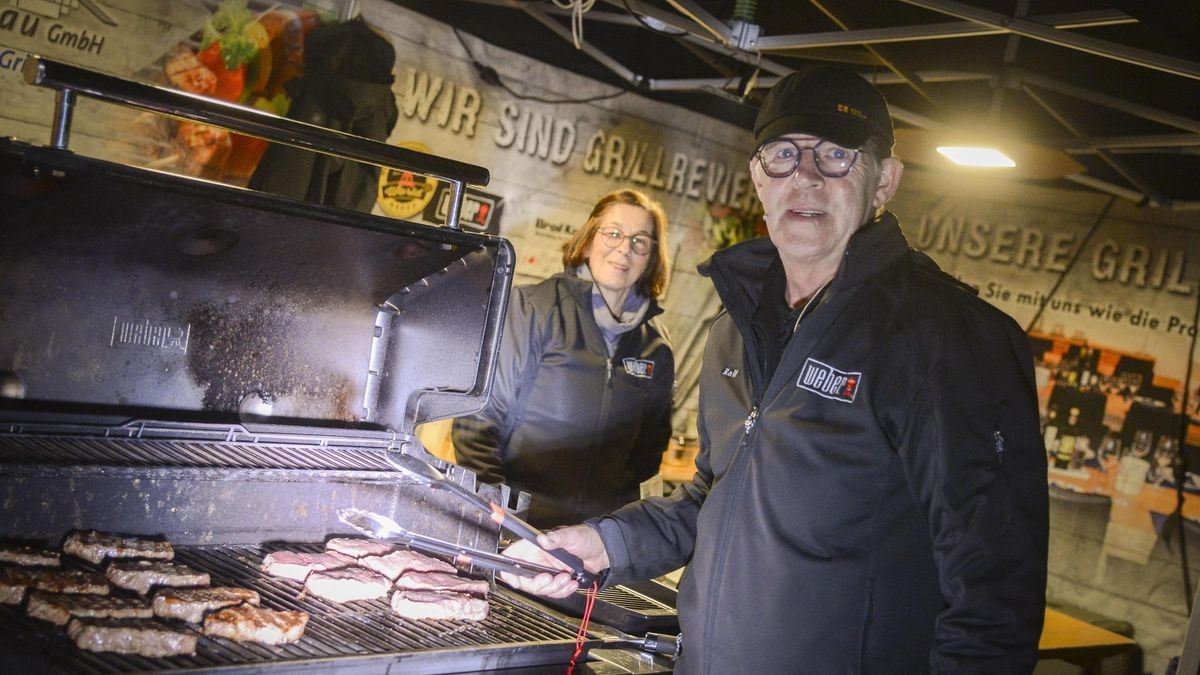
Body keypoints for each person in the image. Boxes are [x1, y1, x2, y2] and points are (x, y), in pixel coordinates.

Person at [500, 65, 1048, 674]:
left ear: (885, 181)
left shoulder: (945, 336)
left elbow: (994, 592)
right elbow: (713, 496)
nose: (806, 176)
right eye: (783, 154)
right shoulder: (735, 331)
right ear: (759, 178)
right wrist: (604, 543)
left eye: (837, 156)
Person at [453, 189, 674, 529]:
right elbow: (477, 424)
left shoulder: (656, 348)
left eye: (640, 241)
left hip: (596, 544)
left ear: (651, 259)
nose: (624, 249)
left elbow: (646, 458)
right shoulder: (532, 309)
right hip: (520, 530)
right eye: (613, 233)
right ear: (587, 242)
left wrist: (609, 538)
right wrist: (501, 520)